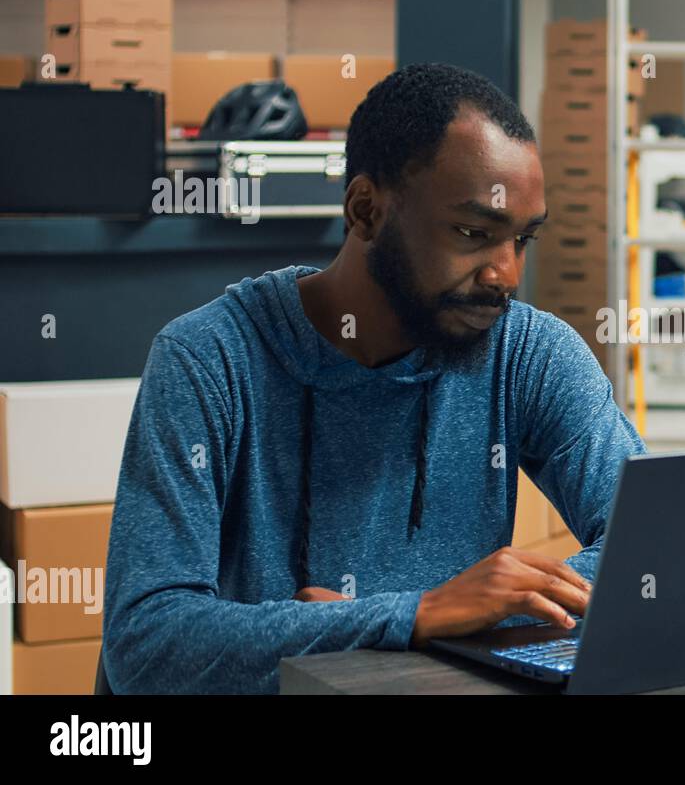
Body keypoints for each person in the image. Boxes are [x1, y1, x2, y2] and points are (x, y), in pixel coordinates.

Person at [102, 63, 644, 694]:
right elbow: (147, 646)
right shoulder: (208, 360)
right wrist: (416, 614)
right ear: (366, 210)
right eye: (474, 233)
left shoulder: (528, 352)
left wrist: (464, 612)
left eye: (522, 240)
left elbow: (653, 548)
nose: (505, 274)